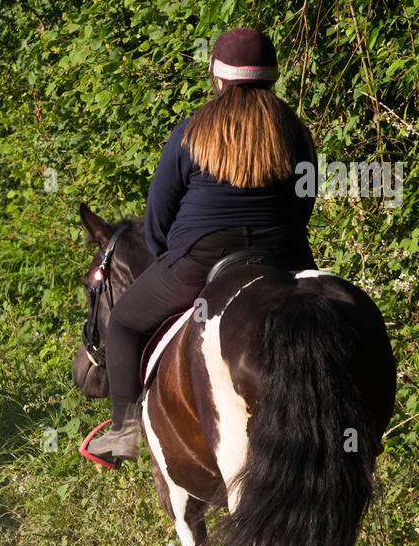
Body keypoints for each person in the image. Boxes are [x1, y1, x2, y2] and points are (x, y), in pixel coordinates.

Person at [87, 28, 318, 464]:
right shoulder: (294, 130)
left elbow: (158, 215)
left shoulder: (192, 130)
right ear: (272, 76)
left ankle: (124, 432)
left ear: (218, 78)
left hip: (201, 258)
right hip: (284, 254)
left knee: (123, 324)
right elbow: (304, 201)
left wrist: (167, 259)